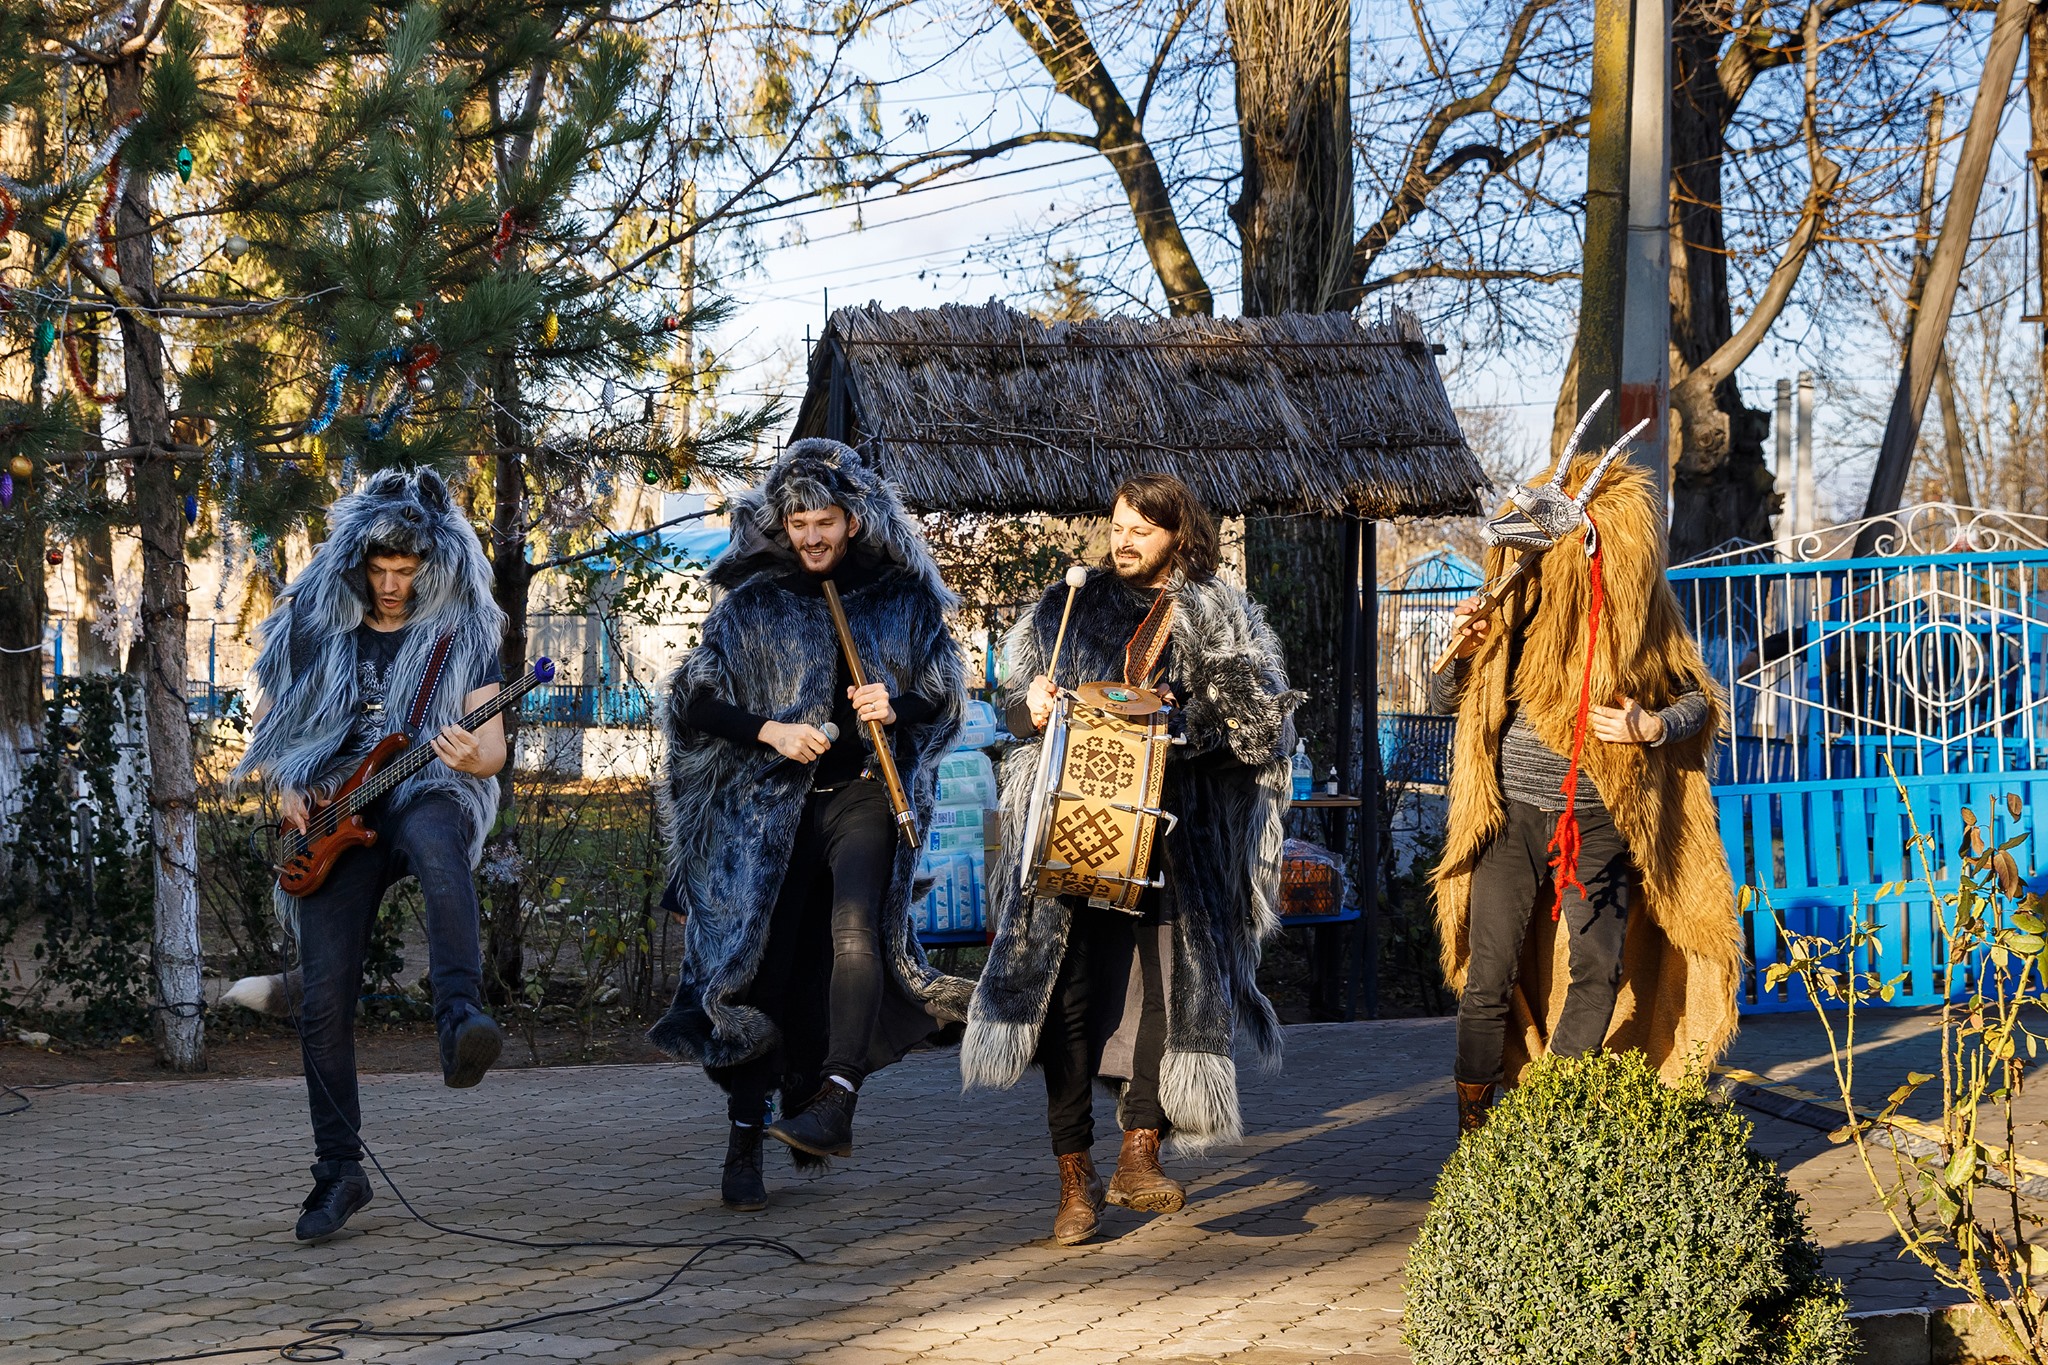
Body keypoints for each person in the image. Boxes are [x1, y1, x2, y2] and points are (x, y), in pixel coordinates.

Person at [962, 472, 1298, 1247]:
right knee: (1069, 999)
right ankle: (1073, 1175)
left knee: (1166, 990)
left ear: (1180, 537)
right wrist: (1033, 706)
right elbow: (1008, 708)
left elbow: (1265, 727)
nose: (1123, 540)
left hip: (1176, 836)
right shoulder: (1064, 606)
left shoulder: (1217, 615)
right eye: (1117, 524)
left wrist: (1188, 721)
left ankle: (1138, 1151)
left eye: (1142, 529)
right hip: (1073, 832)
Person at [649, 438, 972, 1212]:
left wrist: (897, 704)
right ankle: (744, 1130)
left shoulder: (902, 597)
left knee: (858, 929)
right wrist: (771, 731)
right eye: (798, 524)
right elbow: (690, 700)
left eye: (824, 520)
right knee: (761, 966)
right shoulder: (753, 601)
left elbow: (947, 695)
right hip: (772, 807)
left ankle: (835, 1097)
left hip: (864, 792)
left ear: (851, 519)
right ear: (782, 525)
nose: (812, 537)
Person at [1431, 449, 1742, 1135]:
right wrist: (1459, 652)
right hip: (1510, 811)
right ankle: (1475, 1135)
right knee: (1488, 978)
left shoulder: (1644, 616)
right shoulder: (1512, 597)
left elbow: (1699, 700)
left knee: (1599, 968)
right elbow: (1449, 695)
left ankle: (1552, 1124)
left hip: (1600, 814)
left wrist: (1652, 724)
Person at [235, 468, 509, 1241]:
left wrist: (469, 758)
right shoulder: (315, 623)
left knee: (438, 839)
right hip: (335, 809)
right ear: (356, 562)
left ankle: (459, 1018)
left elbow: (490, 745)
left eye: (406, 571)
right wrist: (290, 782)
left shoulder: (462, 633)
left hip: (422, 784)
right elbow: (274, 726)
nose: (391, 587)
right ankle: (339, 1172)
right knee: (322, 1002)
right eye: (378, 571)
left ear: (432, 565)